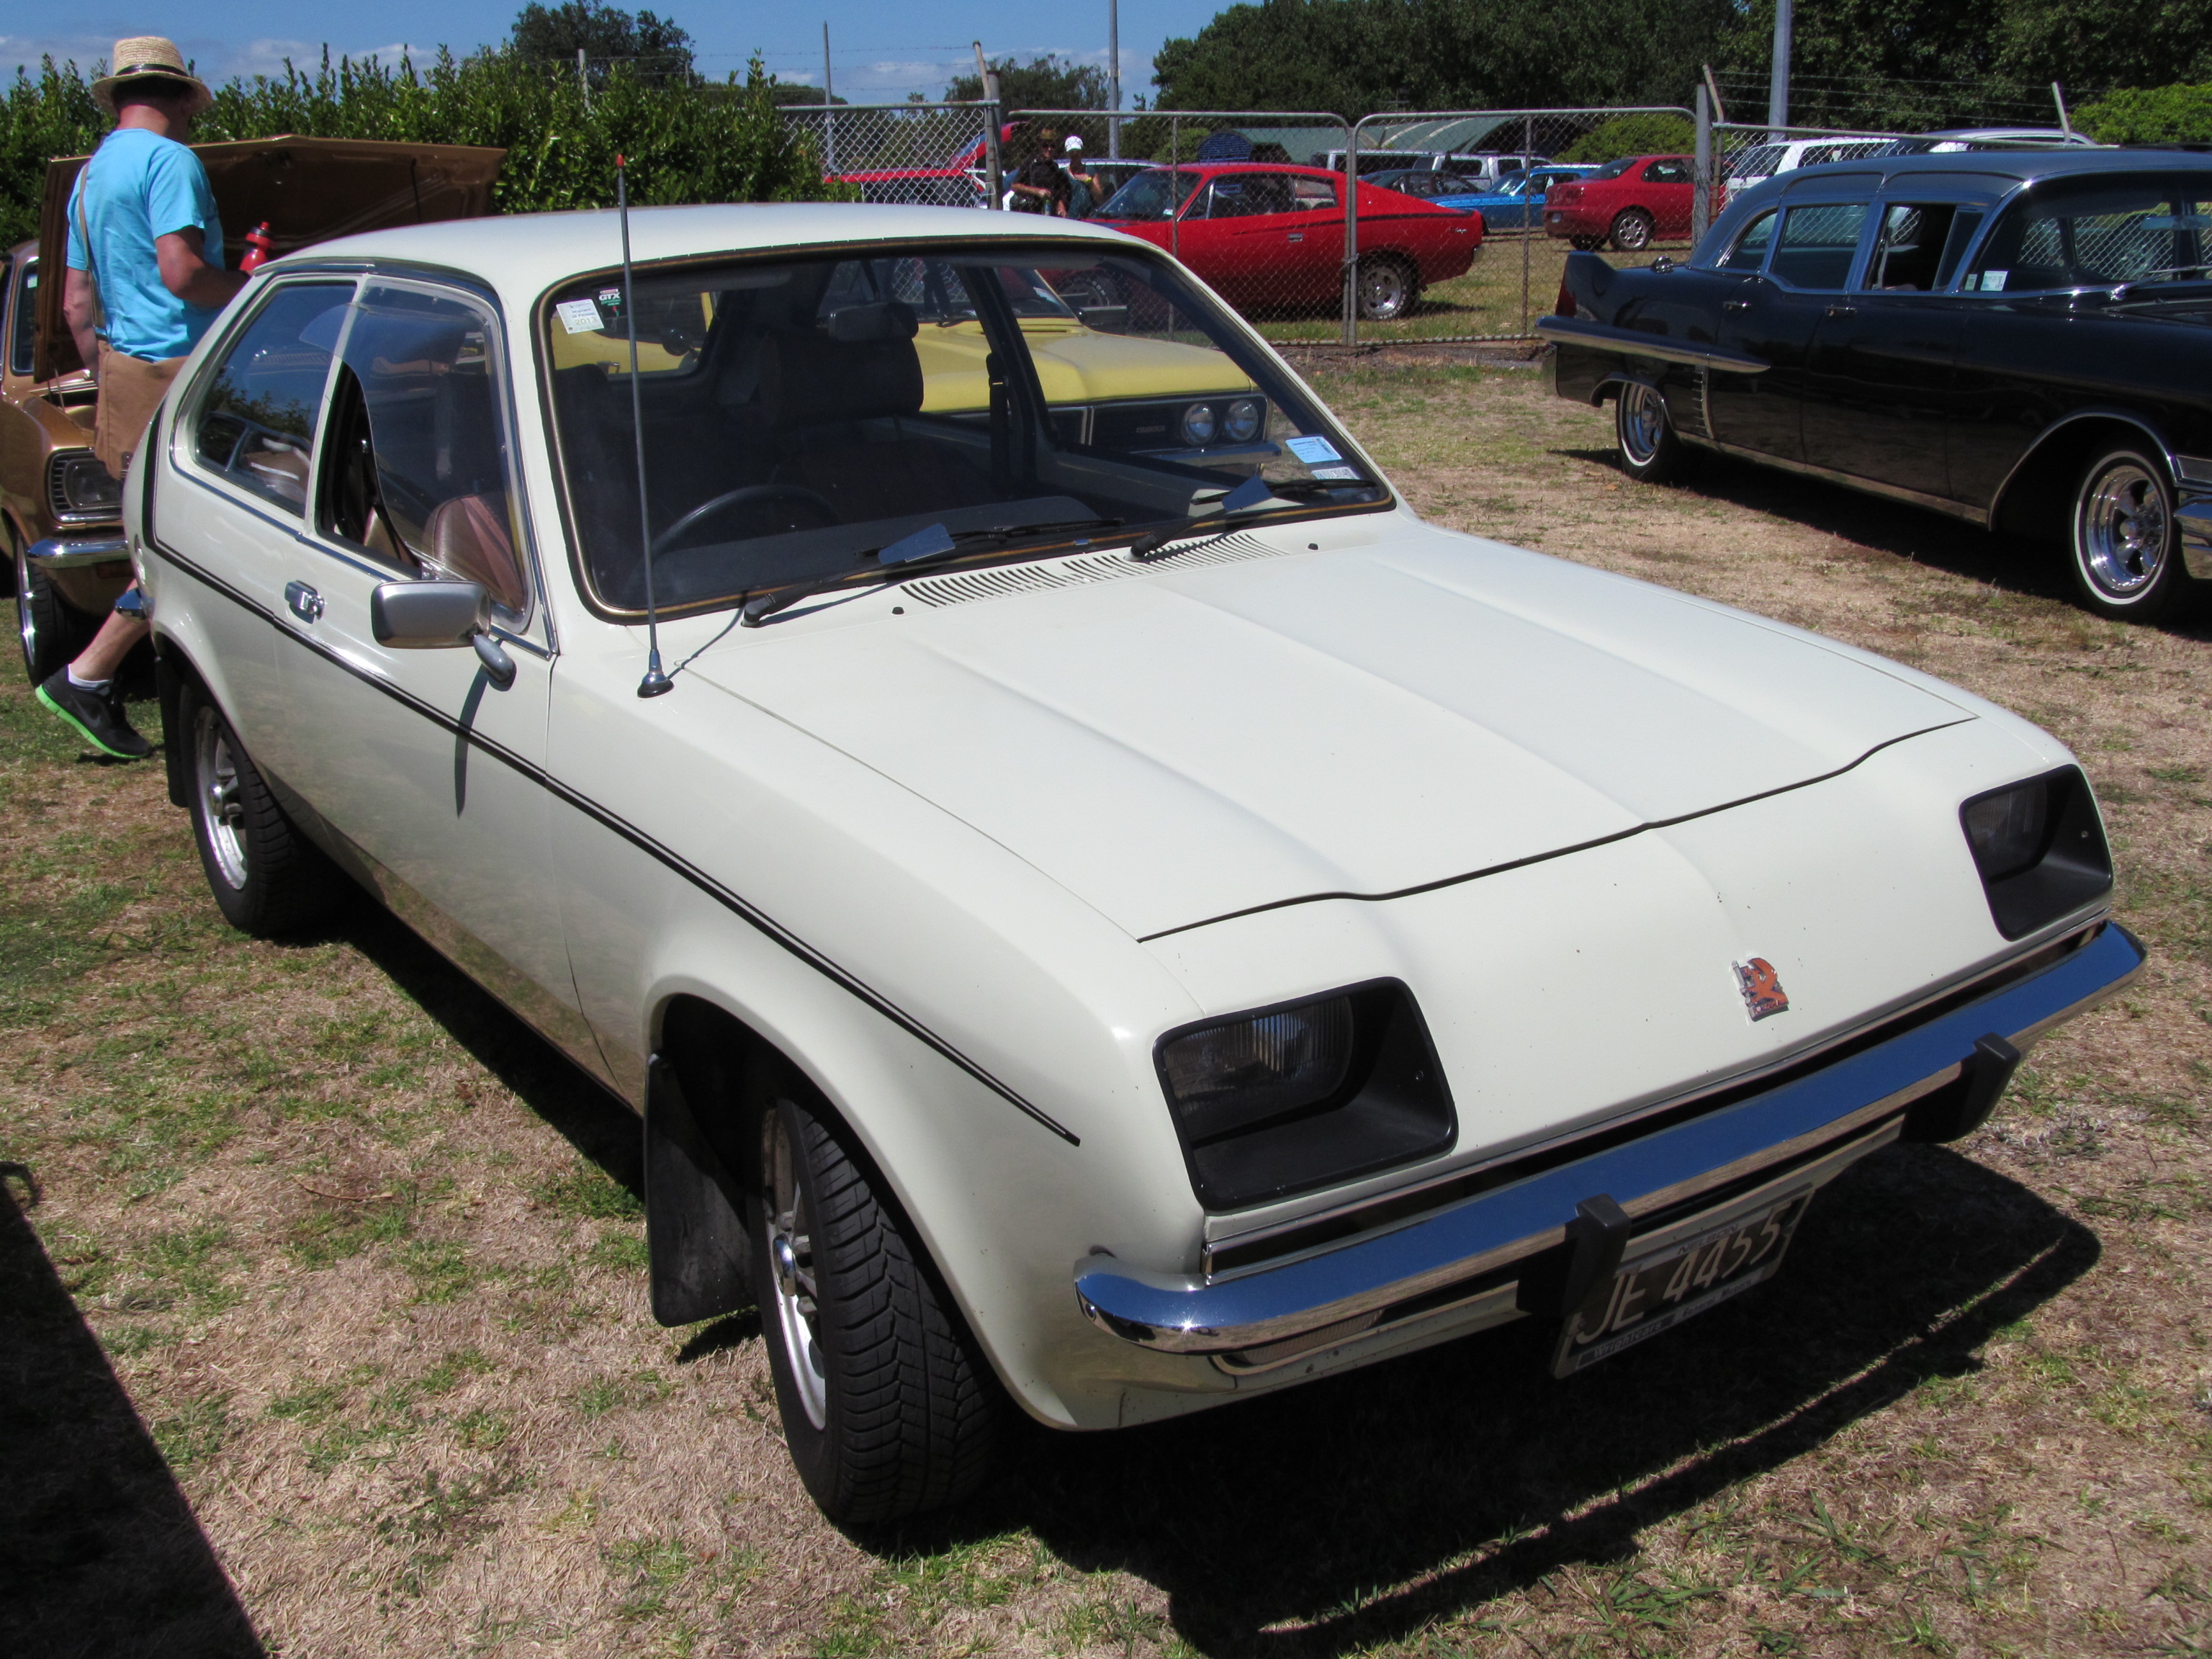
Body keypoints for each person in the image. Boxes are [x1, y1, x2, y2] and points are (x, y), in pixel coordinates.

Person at [42, 37, 246, 761]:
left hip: (128, 370)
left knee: (159, 539)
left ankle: (92, 678)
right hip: (185, 369)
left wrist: (113, 376)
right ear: (184, 97)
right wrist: (260, 286)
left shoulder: (93, 176)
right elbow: (184, 274)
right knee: (212, 534)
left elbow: (74, 304)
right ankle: (90, 675)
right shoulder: (172, 162)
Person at [1009, 126, 1070, 215]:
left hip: (1049, 212)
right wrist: (1037, 191)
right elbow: (1015, 186)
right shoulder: (1031, 163)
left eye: (1052, 146)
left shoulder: (1055, 167)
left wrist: (1061, 205)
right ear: (1040, 145)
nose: (1049, 149)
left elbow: (1059, 191)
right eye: (1045, 145)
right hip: (1031, 212)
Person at [1060, 134, 1098, 220]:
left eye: (1077, 151)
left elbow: (1100, 198)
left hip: (1090, 218)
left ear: (1082, 152)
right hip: (1071, 218)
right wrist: (1062, 208)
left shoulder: (1091, 171)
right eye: (1072, 152)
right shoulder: (1063, 173)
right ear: (1068, 153)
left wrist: (1089, 182)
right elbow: (1060, 196)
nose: (1075, 154)